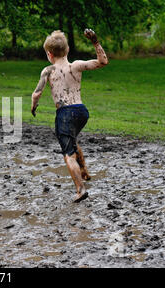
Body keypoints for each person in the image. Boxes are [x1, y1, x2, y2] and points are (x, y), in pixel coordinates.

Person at [31, 29, 108, 203]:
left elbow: (36, 94)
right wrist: (95, 42)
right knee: (72, 141)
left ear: (49, 54)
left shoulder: (48, 70)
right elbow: (103, 61)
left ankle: (80, 189)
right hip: (81, 111)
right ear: (67, 51)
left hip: (65, 113)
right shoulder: (76, 65)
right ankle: (84, 172)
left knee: (68, 154)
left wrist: (33, 107)